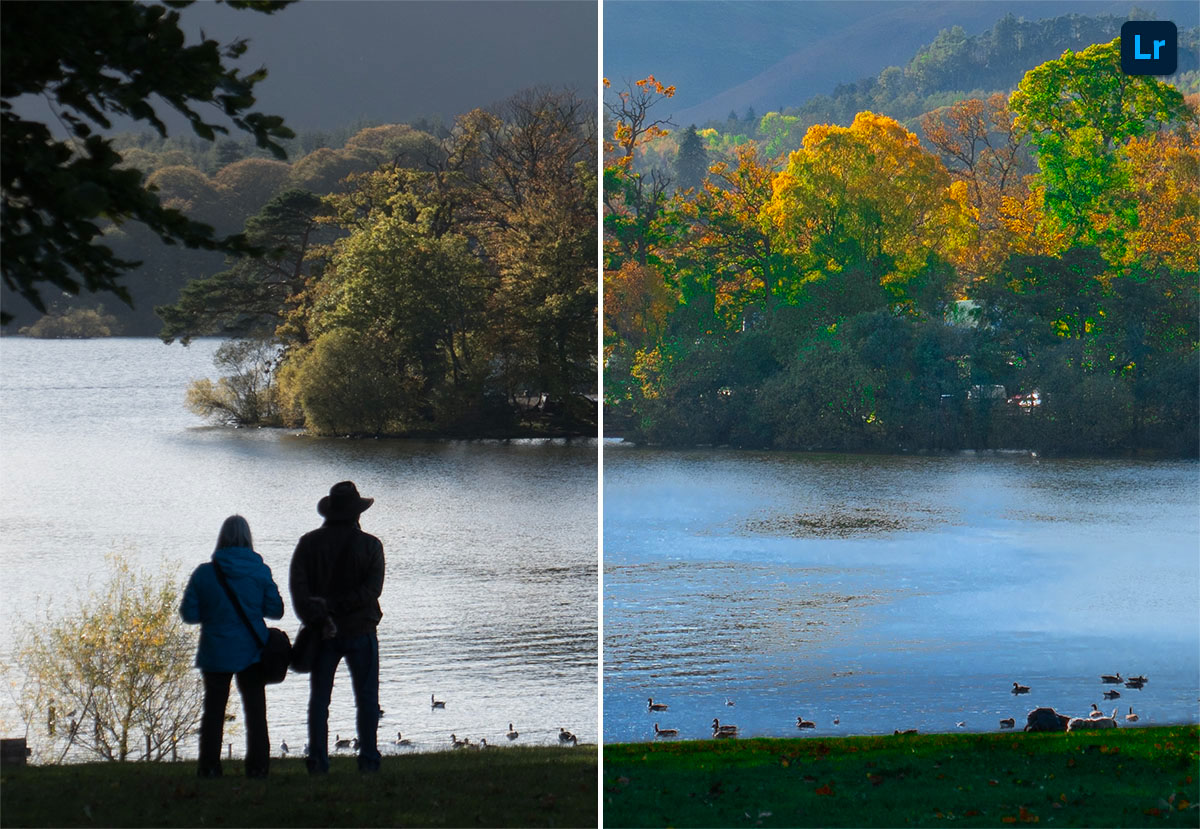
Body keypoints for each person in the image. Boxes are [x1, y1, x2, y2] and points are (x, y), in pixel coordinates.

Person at [290, 481, 385, 773]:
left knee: (319, 700)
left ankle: (318, 759)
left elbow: (299, 591)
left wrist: (323, 616)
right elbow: (372, 591)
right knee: (367, 700)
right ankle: (368, 759)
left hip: (323, 632)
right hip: (361, 630)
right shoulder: (371, 545)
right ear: (358, 513)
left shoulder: (308, 543)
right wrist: (339, 607)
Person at [180, 515, 284, 778]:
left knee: (213, 713)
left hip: (215, 652)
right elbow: (276, 610)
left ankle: (210, 768)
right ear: (249, 539)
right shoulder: (260, 570)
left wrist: (214, 612)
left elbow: (189, 614)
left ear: (221, 538)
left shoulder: (205, 573)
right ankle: (258, 769)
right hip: (252, 652)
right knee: (256, 714)